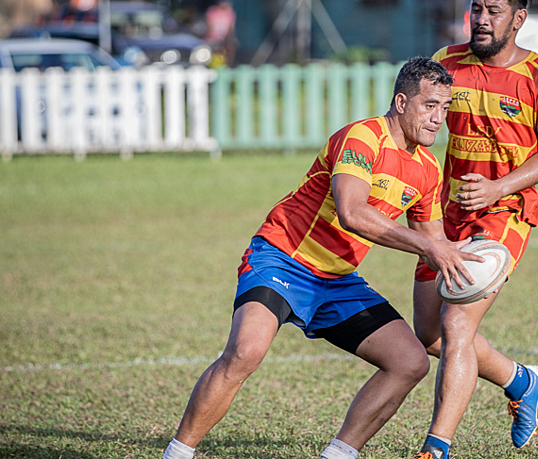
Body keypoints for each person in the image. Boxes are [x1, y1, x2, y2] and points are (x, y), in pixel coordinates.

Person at [162, 57, 483, 459]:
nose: (439, 118)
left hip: (336, 281)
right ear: (401, 102)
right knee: (246, 351)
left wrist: (470, 261)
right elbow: (352, 212)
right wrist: (433, 248)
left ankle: (339, 454)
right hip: (282, 258)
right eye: (429, 105)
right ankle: (178, 452)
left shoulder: (428, 169)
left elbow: (433, 241)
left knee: (409, 361)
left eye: (445, 108)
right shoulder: (362, 138)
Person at [411, 0, 538, 457]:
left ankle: (435, 447)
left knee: (459, 324)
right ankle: (521, 382)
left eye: (493, 11)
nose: (480, 18)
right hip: (446, 212)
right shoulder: (446, 62)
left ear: (518, 18)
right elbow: (418, 124)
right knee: (430, 334)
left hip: (505, 213)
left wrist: (498, 187)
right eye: (476, 8)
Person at [204, 0, 237, 66]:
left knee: (231, 47)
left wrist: (230, 38)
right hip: (212, 37)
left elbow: (231, 28)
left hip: (224, 37)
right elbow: (209, 26)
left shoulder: (230, 13)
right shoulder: (212, 11)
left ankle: (228, 65)